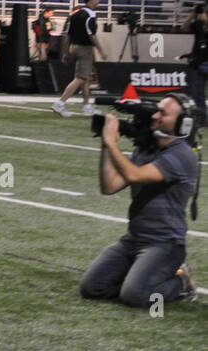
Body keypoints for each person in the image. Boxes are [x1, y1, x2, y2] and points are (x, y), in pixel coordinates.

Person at [80, 95, 198, 307]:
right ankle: (138, 279)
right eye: (157, 110)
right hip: (132, 240)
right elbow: (109, 187)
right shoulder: (146, 150)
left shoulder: (183, 155)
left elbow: (134, 175)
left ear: (183, 123)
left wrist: (110, 141)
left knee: (135, 296)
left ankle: (181, 282)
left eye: (163, 113)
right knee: (92, 288)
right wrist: (107, 146)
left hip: (164, 245)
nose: (155, 115)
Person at [53, 0, 105, 117]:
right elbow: (91, 35)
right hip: (85, 49)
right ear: (91, 0)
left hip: (74, 48)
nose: (98, 1)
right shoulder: (90, 15)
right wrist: (101, 50)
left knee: (85, 78)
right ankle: (60, 103)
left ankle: (86, 106)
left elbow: (67, 36)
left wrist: (65, 52)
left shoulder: (75, 15)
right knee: (80, 78)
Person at [181, 4, 208, 119]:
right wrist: (193, 13)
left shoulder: (204, 22)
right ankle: (202, 117)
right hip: (198, 61)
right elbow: (184, 27)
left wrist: (202, 16)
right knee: (197, 93)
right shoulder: (199, 24)